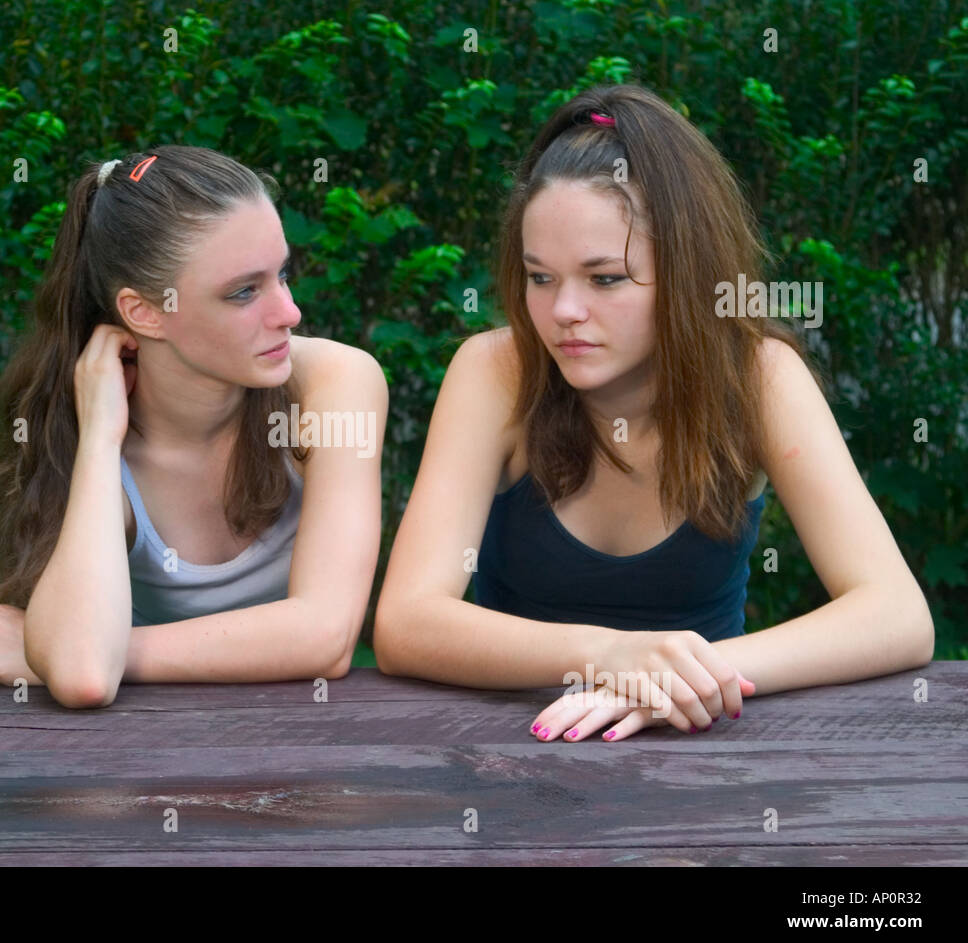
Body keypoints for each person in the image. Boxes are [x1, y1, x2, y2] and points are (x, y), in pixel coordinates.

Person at [373, 84, 933, 742]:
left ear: (688, 271)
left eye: (604, 278)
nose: (563, 313)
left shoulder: (759, 378)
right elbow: (405, 623)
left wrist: (681, 675)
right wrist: (610, 656)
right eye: (540, 277)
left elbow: (897, 614)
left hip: (704, 744)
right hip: (514, 749)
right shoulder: (496, 371)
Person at [0, 146, 387, 708]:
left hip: (306, 737)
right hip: (130, 757)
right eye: (244, 291)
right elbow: (86, 675)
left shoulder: (331, 384)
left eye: (282, 274)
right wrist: (98, 441)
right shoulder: (85, 423)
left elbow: (327, 636)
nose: (289, 312)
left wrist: (87, 651)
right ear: (143, 312)